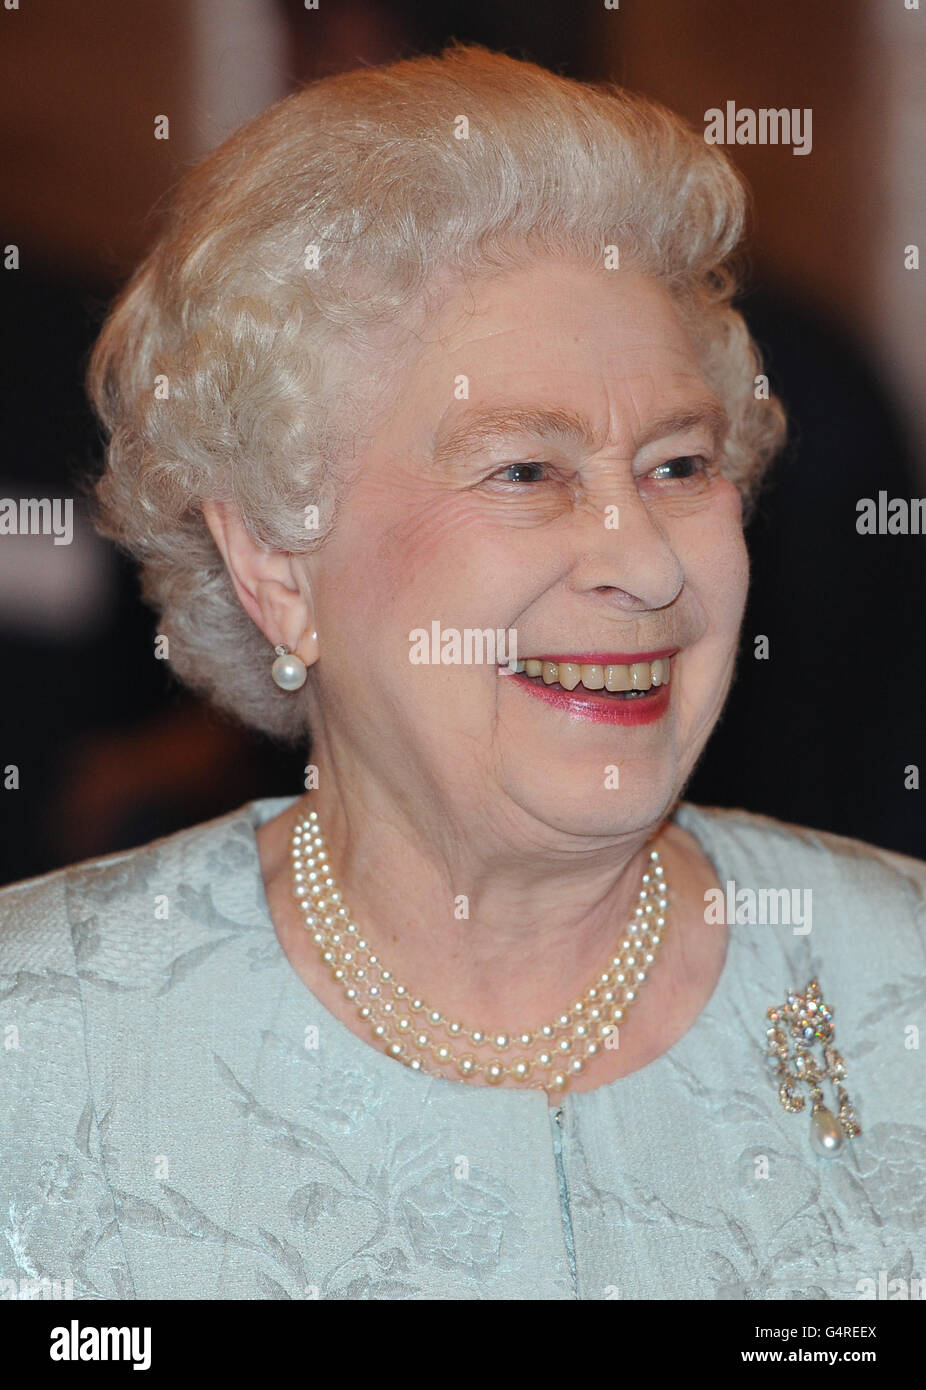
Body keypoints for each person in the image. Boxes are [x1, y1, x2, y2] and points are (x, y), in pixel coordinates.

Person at [2, 44, 924, 1301]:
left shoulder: (898, 983)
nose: (646, 564)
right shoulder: (39, 1043)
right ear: (275, 561)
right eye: (526, 471)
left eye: (676, 466)